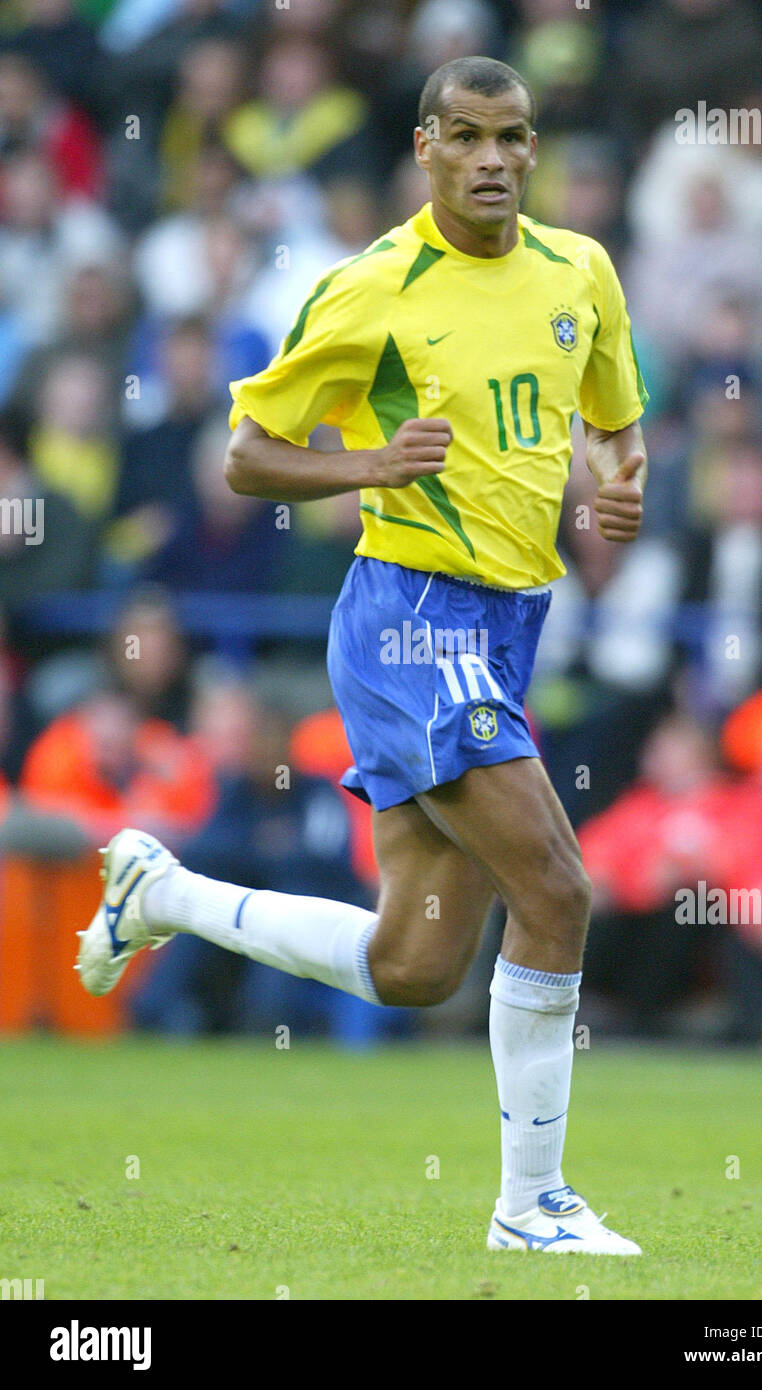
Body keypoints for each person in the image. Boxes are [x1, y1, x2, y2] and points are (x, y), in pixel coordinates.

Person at [76, 56, 649, 1256]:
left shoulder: (577, 271)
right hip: (406, 620)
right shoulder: (371, 287)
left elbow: (609, 410)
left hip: (506, 625)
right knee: (557, 888)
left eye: (514, 137)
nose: (494, 158)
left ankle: (163, 894)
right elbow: (246, 453)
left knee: (414, 964)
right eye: (469, 136)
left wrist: (618, 475)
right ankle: (528, 1204)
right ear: (427, 145)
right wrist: (368, 465)